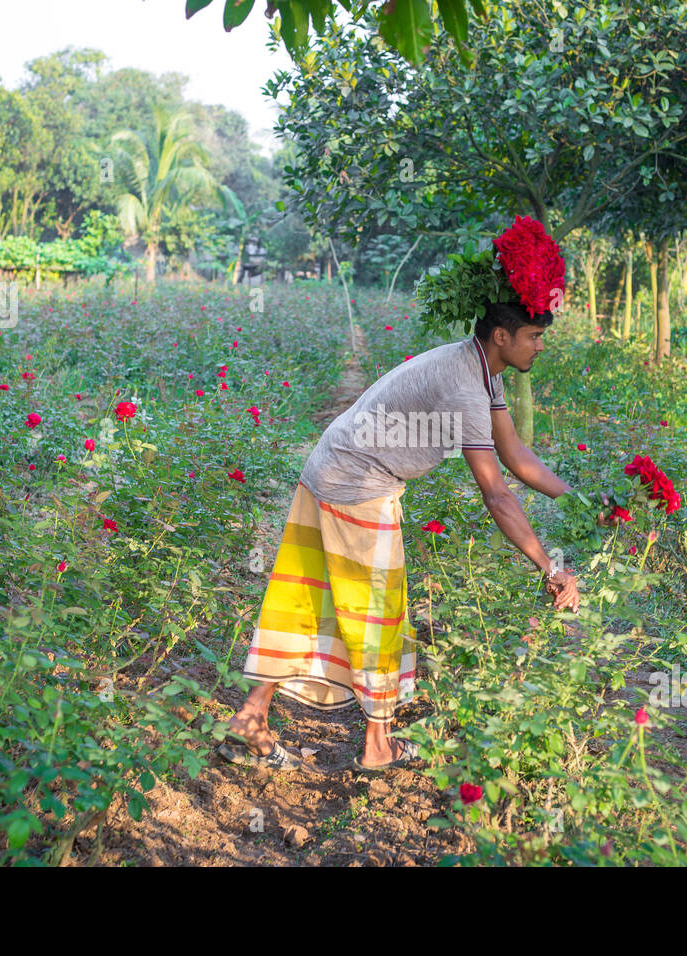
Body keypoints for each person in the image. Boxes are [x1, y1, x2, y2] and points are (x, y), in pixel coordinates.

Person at [218, 298, 582, 772]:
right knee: (380, 614)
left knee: (310, 598)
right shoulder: (465, 387)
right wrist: (549, 566)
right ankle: (377, 747)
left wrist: (580, 502)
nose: (539, 347)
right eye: (534, 336)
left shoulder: (477, 368)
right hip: (357, 485)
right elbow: (496, 494)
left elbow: (513, 452)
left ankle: (251, 717)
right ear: (501, 337)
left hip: (330, 468)